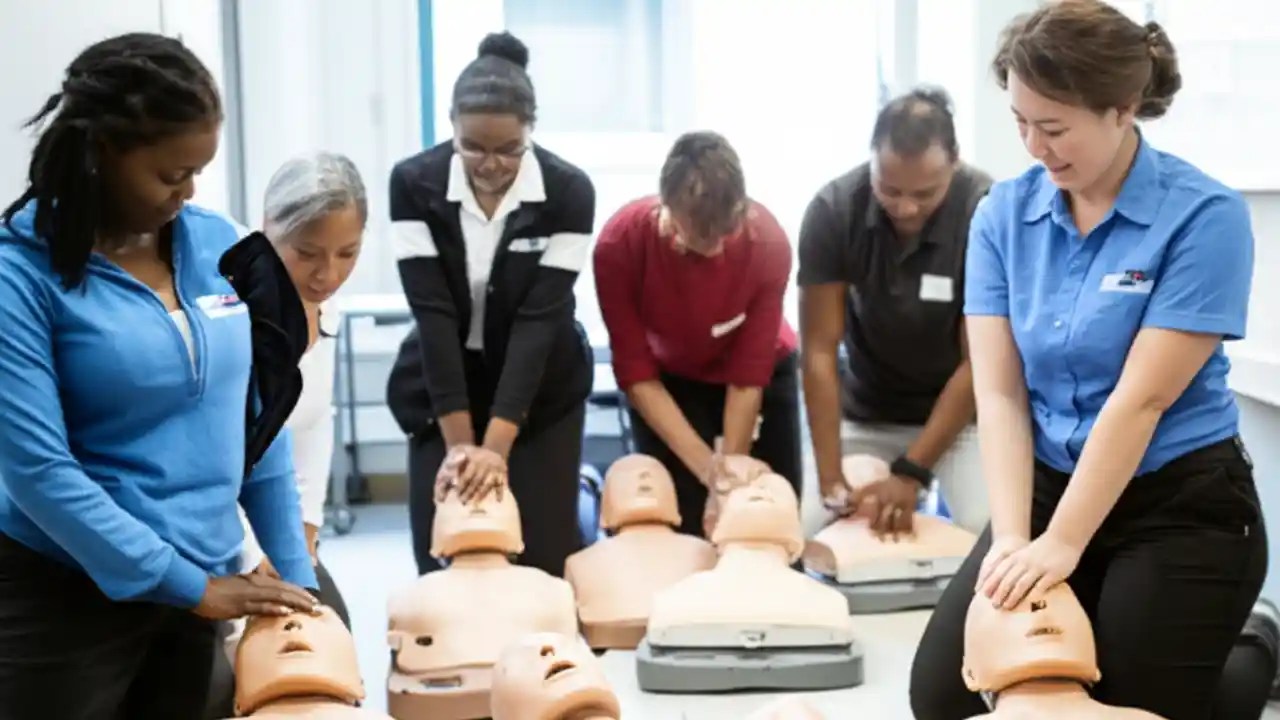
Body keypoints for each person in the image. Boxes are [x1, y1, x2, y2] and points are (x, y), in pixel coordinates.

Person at [908, 4, 1267, 719]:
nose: (1034, 147)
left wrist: (1067, 544)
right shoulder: (1001, 215)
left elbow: (1142, 400)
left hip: (1179, 502)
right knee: (952, 700)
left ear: (1123, 109)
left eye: (1055, 126)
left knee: (1119, 706)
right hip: (1044, 488)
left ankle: (1258, 645)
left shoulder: (1204, 216)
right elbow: (1002, 395)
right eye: (1019, 121)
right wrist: (1015, 542)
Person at [0, 33, 318, 720]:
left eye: (199, 170)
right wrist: (192, 587)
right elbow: (37, 472)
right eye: (172, 174)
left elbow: (256, 420)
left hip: (197, 588)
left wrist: (296, 578)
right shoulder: (19, 274)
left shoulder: (217, 244)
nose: (189, 191)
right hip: (66, 597)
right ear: (102, 153)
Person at [386, 31, 596, 579]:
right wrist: (461, 452)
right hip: (443, 379)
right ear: (452, 128)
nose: (491, 164)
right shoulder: (413, 183)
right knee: (444, 548)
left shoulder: (569, 191)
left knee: (544, 555)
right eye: (473, 147)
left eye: (509, 150)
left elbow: (538, 321)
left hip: (540, 383)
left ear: (531, 132)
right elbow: (433, 314)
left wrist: (496, 448)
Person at [797, 87, 993, 536]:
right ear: (871, 160)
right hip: (867, 410)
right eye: (889, 189)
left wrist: (911, 472)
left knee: (987, 525)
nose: (905, 207)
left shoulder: (986, 211)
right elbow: (820, 353)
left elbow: (979, 361)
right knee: (812, 525)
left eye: (924, 194)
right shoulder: (833, 211)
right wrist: (831, 479)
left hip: (964, 415)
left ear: (955, 162)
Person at [594, 130, 801, 538]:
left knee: (763, 517)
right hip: (669, 383)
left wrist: (730, 476)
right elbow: (637, 374)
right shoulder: (620, 245)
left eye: (725, 234)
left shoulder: (768, 244)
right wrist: (712, 473)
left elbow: (748, 376)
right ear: (664, 206)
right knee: (681, 525)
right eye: (698, 236)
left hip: (756, 374)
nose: (715, 249)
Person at [239, 151, 367, 625]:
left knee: (333, 631)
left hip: (281, 528)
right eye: (307, 253)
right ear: (267, 228)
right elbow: (212, 464)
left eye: (347, 253)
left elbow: (313, 426)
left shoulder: (324, 309)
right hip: (215, 538)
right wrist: (253, 556)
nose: (328, 275)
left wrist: (306, 534)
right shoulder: (232, 318)